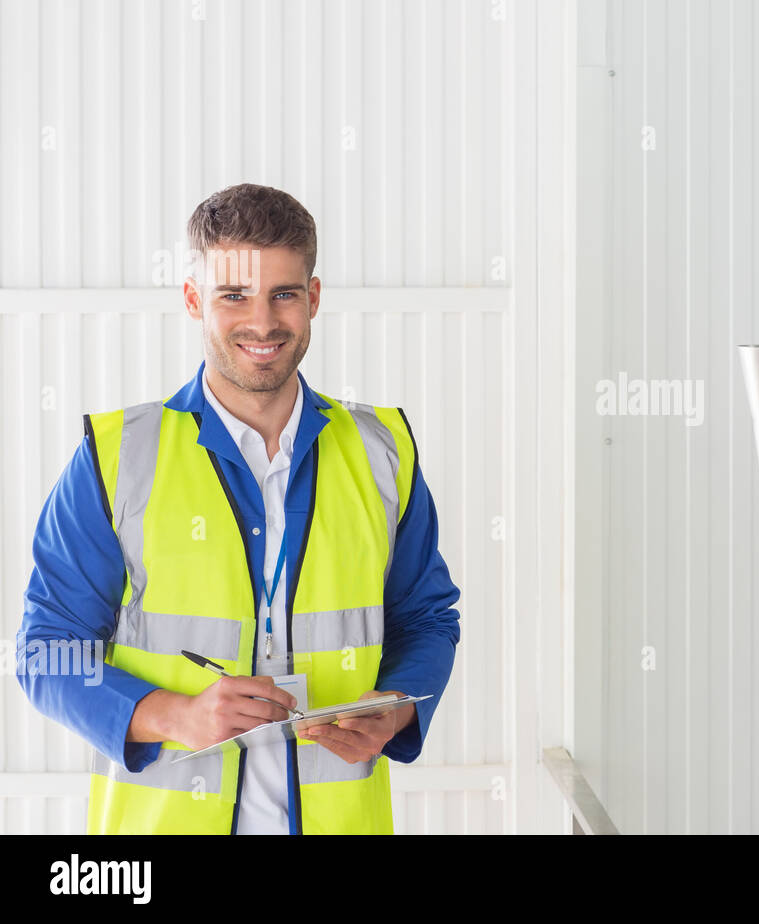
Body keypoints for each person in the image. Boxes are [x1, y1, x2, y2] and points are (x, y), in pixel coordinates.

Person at [16, 183, 462, 834]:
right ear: (195, 299)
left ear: (313, 298)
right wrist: (173, 714)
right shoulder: (116, 458)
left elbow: (425, 618)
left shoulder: (382, 452)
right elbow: (45, 650)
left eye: (283, 293)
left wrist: (397, 708)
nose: (262, 321)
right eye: (234, 296)